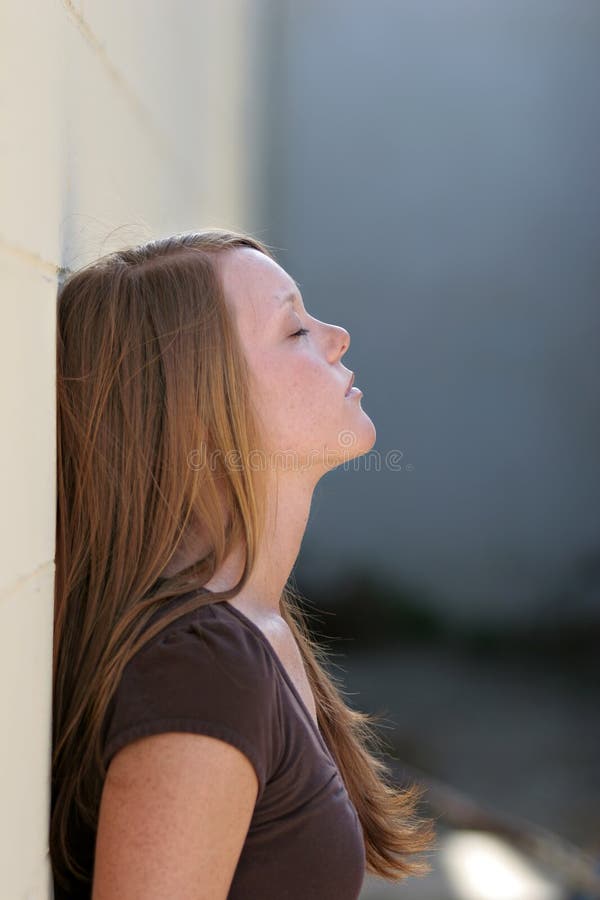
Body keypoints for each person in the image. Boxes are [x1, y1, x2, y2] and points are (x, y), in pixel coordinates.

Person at [51, 229, 435, 898]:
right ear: (201, 413)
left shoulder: (253, 624)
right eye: (294, 330)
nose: (338, 334)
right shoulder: (201, 669)